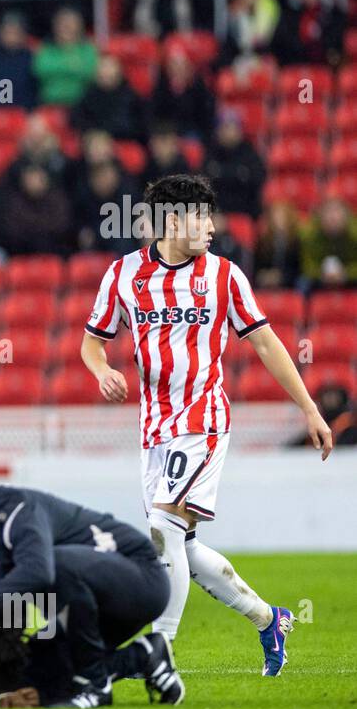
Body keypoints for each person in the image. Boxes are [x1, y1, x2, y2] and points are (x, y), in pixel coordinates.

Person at [80, 174, 333, 677]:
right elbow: (92, 341)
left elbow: (264, 342)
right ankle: (269, 618)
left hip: (204, 422)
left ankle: (160, 654)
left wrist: (308, 406)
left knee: (162, 527)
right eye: (203, 217)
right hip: (154, 429)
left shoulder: (224, 276)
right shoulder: (124, 275)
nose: (212, 227)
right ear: (174, 221)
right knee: (181, 547)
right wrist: (102, 369)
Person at [0, 474, 183, 709]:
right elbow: (8, 609)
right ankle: (145, 655)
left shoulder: (13, 510)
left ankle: (96, 687)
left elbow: (38, 573)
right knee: (33, 678)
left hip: (141, 582)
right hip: (81, 607)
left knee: (55, 563)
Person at [31, 7, 97, 106]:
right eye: (63, 23)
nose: (67, 27)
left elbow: (89, 72)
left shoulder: (88, 49)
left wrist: (57, 68)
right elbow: (40, 70)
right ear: (55, 26)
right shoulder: (46, 49)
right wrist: (71, 66)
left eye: (71, 23)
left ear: (80, 26)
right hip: (49, 105)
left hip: (82, 107)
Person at [299, 197, 357, 287]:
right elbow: (308, 266)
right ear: (321, 217)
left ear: (346, 216)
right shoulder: (310, 235)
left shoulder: (354, 234)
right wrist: (321, 275)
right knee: (303, 282)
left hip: (350, 278)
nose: (333, 218)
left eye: (337, 213)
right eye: (329, 213)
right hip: (320, 279)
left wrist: (346, 274)